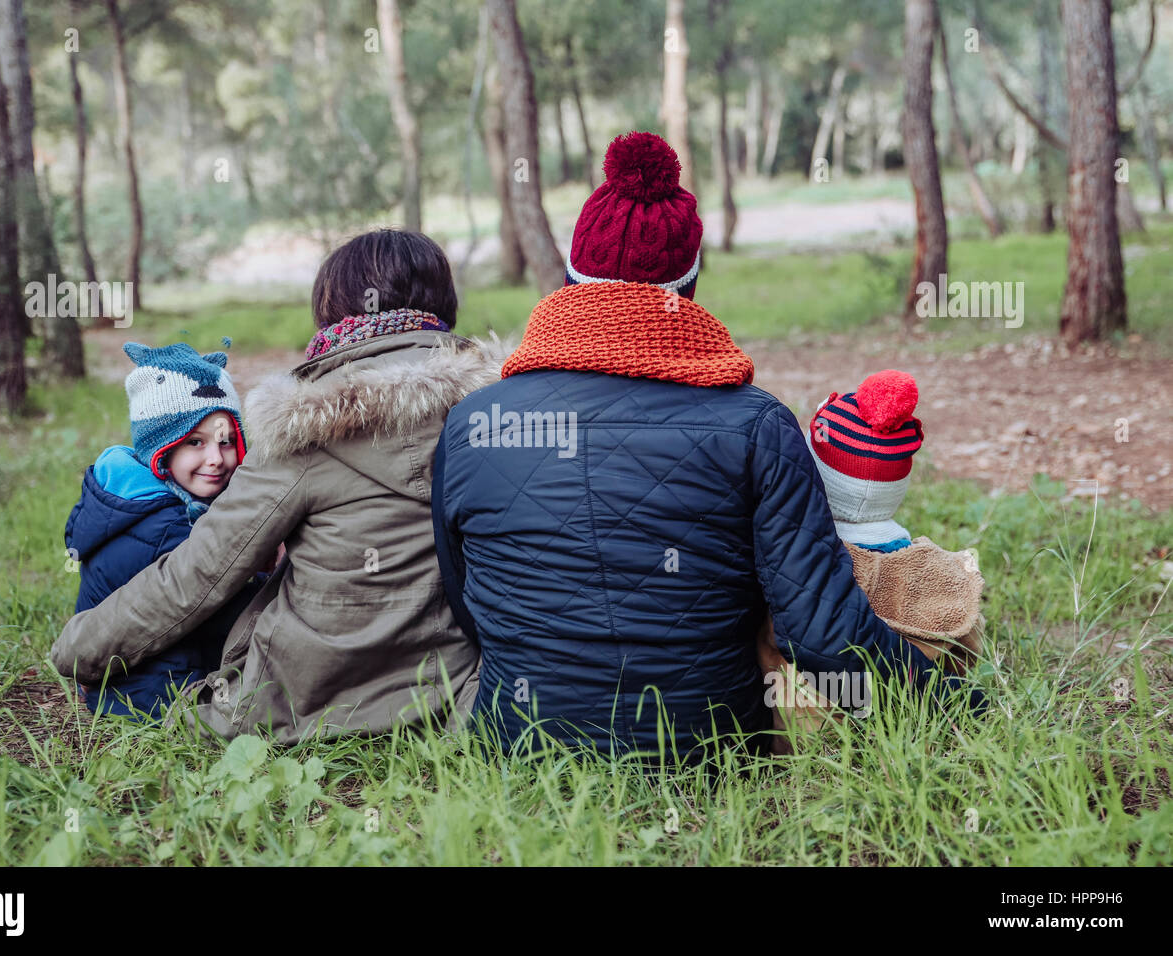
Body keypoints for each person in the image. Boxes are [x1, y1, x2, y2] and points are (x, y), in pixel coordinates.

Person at [432, 131, 983, 763]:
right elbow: (819, 631)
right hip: (706, 751)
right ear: (689, 287)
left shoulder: (474, 422)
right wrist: (956, 704)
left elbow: (465, 594)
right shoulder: (758, 426)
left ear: (569, 280)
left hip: (516, 744)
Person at [52, 229, 499, 744]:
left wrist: (76, 648)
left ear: (332, 313)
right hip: (453, 690)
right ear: (444, 303)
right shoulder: (495, 411)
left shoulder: (303, 429)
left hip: (308, 699)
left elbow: (197, 576)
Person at [758, 369, 986, 751]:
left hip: (805, 738)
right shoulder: (930, 567)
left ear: (813, 470)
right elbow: (965, 648)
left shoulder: (796, 558)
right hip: (913, 730)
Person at [65, 342, 259, 719]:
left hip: (149, 668)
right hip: (149, 693)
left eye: (227, 441)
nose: (216, 458)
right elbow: (221, 599)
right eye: (194, 443)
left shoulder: (154, 496)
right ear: (161, 449)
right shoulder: (165, 527)